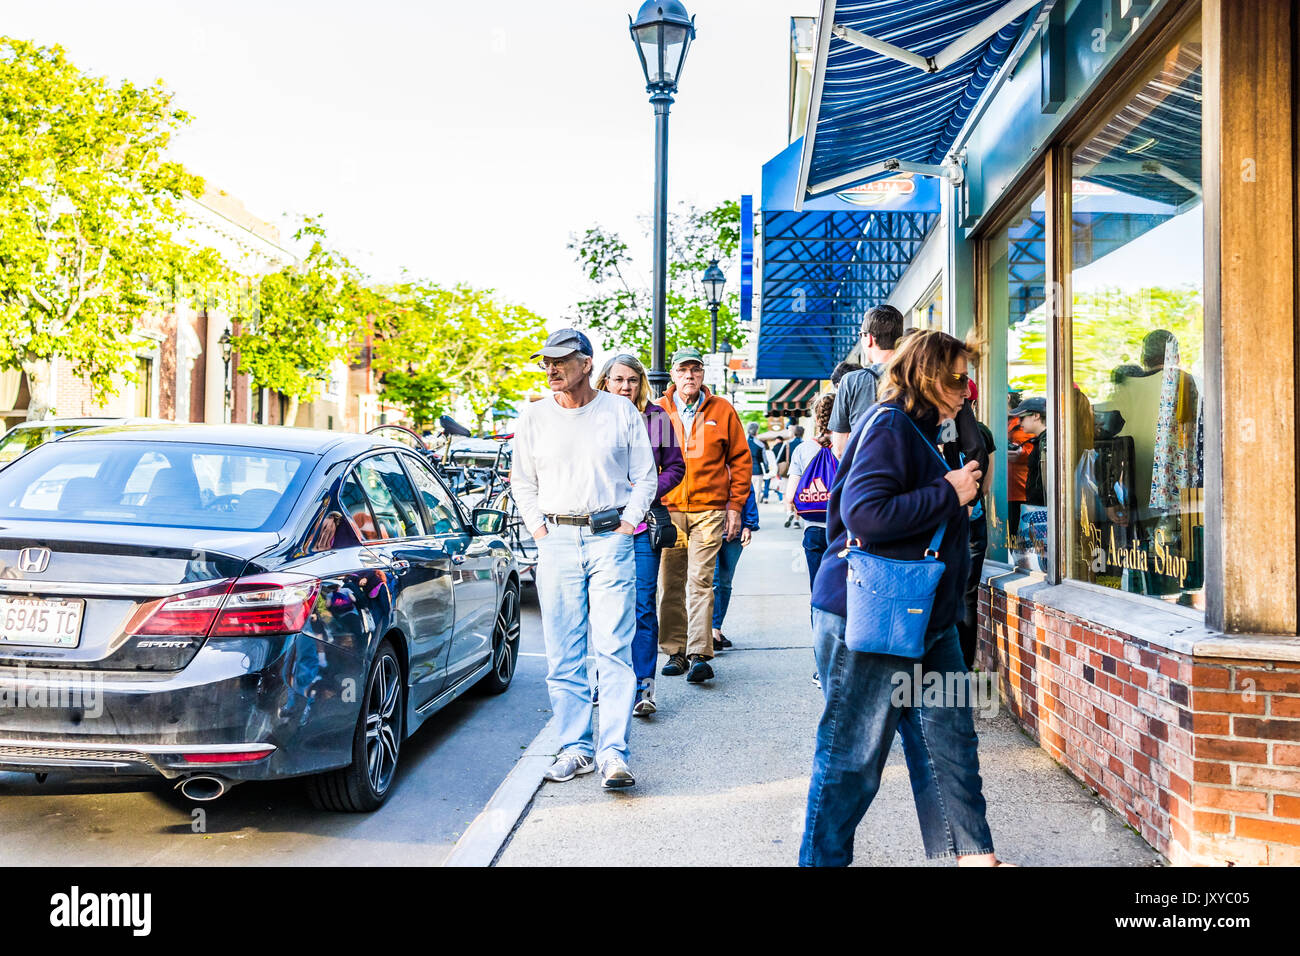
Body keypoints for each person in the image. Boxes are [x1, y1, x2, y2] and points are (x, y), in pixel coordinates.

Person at [800, 329, 1007, 867]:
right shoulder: (889, 426)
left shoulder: (924, 431)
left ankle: (975, 856)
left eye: (970, 378)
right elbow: (864, 514)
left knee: (952, 742)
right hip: (874, 615)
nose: (967, 389)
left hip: (926, 617)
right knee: (852, 757)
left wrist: (959, 455)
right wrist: (949, 491)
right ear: (927, 375)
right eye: (958, 377)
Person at [510, 328, 658, 790]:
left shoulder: (619, 411)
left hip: (607, 539)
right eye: (546, 362)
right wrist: (539, 529)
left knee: (613, 648)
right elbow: (522, 481)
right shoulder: (534, 416)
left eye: (561, 360)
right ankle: (576, 748)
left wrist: (627, 525)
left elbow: (646, 477)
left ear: (586, 363)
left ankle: (614, 752)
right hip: (555, 539)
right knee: (563, 653)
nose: (551, 369)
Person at [656, 347, 753, 684]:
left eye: (695, 370)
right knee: (669, 584)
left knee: (701, 581)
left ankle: (700, 653)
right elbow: (647, 462)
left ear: (702, 375)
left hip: (710, 510)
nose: (689, 376)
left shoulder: (722, 410)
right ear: (673, 375)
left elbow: (741, 460)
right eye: (683, 370)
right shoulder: (659, 412)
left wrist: (735, 507)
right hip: (668, 510)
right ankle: (674, 651)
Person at [596, 353, 685, 718]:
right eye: (618, 380)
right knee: (606, 609)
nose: (626, 387)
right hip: (602, 526)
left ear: (641, 383)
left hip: (644, 524)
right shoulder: (593, 417)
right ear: (605, 382)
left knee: (644, 605)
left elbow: (677, 466)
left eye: (632, 380)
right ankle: (610, 681)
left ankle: (643, 686)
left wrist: (645, 490)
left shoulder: (656, 417)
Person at [828, 304, 905, 456]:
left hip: (866, 473)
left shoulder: (850, 381)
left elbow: (839, 449)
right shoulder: (919, 377)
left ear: (868, 338)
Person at [786, 392, 836, 586]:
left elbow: (791, 496)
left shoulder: (803, 449)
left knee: (818, 589)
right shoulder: (851, 446)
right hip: (843, 529)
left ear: (816, 418)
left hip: (813, 528)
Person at [711, 487, 759, 651]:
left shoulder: (738, 463)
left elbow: (748, 490)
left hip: (735, 530)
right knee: (713, 580)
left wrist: (749, 525)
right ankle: (713, 630)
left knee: (724, 582)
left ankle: (717, 627)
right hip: (707, 528)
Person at [780, 425, 805, 528]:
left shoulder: (787, 444)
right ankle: (796, 520)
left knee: (787, 493)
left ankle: (789, 512)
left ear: (794, 433)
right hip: (802, 474)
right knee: (798, 495)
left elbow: (779, 458)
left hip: (788, 473)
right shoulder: (804, 445)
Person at [746, 422, 769, 503]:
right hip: (757, 471)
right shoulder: (760, 444)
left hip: (744, 471)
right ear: (756, 431)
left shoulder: (742, 442)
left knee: (744, 493)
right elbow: (764, 460)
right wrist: (766, 469)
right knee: (756, 493)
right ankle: (755, 513)